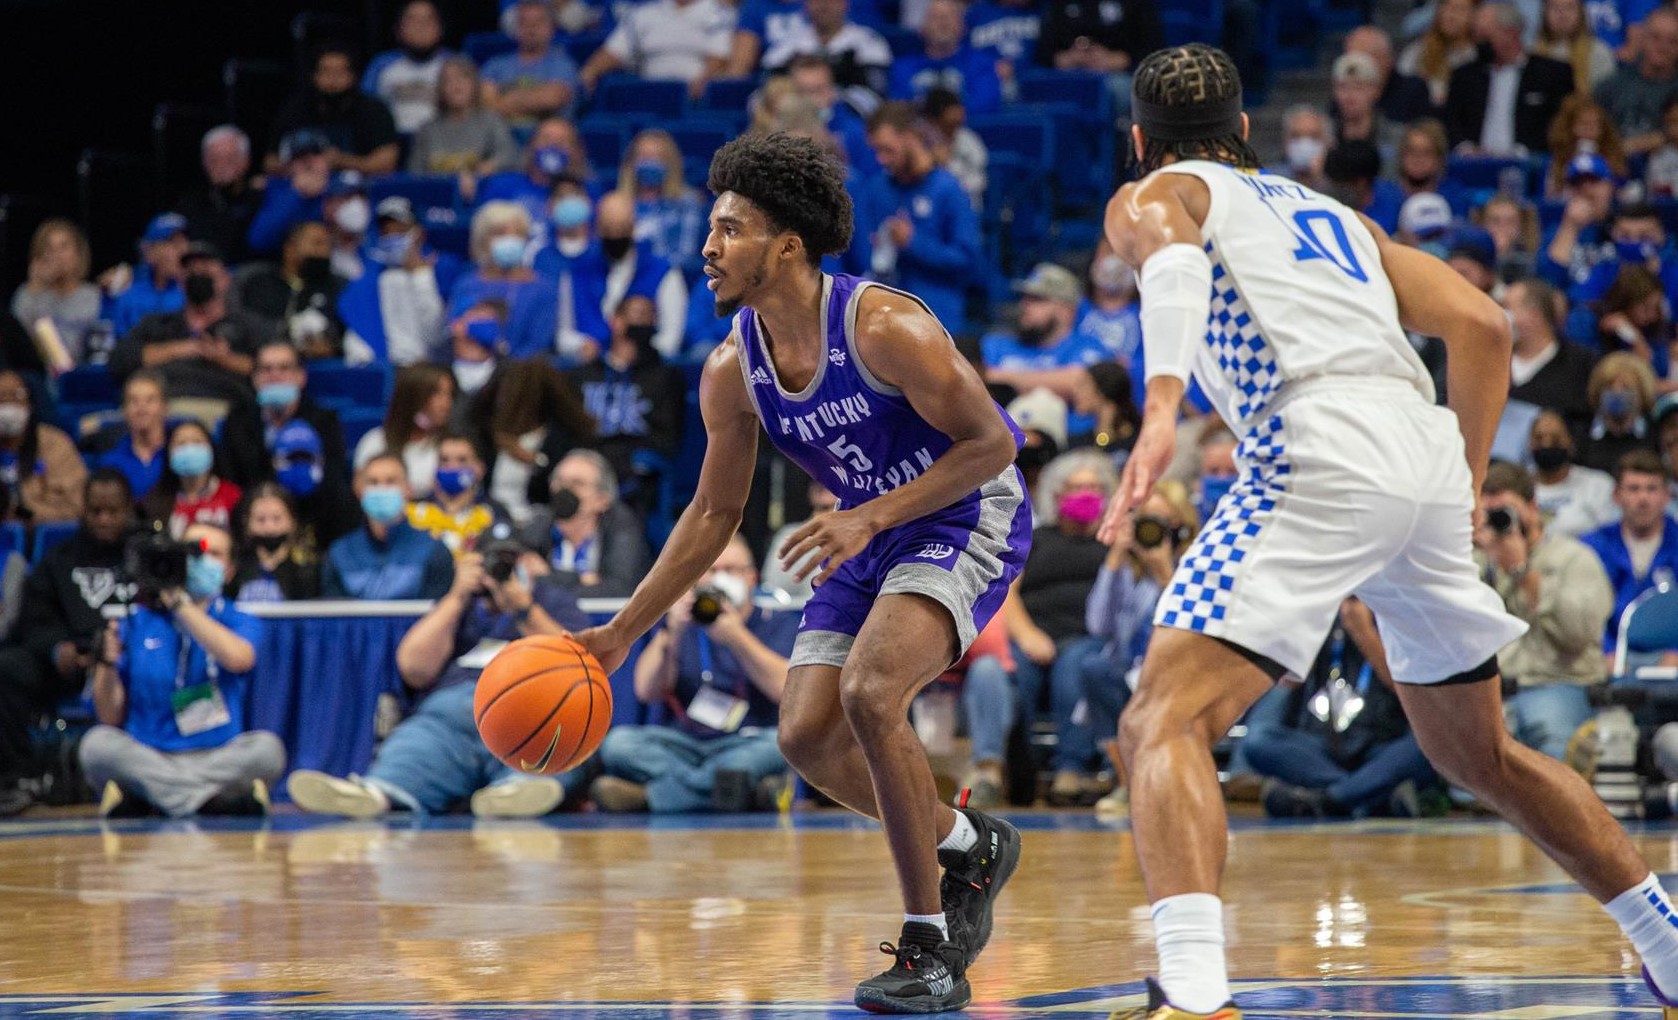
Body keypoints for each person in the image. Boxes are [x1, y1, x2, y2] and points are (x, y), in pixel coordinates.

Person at [1099, 42, 1678, 1019]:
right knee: (1478, 757)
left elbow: (1172, 266)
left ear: (1139, 139)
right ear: (1246, 130)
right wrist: (1461, 480)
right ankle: (1669, 946)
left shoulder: (1158, 193)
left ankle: (1192, 998)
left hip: (1314, 439)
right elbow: (1485, 327)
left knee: (1161, 719)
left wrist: (1159, 410)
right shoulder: (1336, 216)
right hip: (1418, 447)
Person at [577, 132, 1030, 1014]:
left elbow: (992, 444)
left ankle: (929, 945)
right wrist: (622, 631)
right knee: (804, 736)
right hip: (865, 531)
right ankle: (969, 844)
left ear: (787, 246)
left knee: (870, 692)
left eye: (730, 229)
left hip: (964, 510)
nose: (708, 248)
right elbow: (712, 515)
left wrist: (870, 514)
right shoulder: (731, 370)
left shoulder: (886, 328)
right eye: (711, 229)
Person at [288, 544, 590, 818]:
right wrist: (456, 596)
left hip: (530, 712)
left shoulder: (554, 601)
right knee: (414, 747)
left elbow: (579, 666)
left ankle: (515, 793)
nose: (499, 574)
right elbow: (412, 667)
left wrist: (523, 609)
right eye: (491, 564)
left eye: (510, 563)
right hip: (452, 713)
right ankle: (374, 793)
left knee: (556, 746)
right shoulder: (461, 605)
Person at [80, 522, 280, 818]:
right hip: (149, 754)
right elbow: (110, 716)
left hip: (217, 755)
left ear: (229, 570)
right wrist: (106, 665)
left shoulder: (239, 620)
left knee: (267, 750)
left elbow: (239, 659)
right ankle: (207, 800)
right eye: (194, 552)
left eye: (214, 554)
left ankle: (158, 798)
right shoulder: (134, 622)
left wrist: (181, 605)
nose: (202, 561)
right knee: (96, 746)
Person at [592, 536, 800, 813]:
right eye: (712, 570)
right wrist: (673, 633)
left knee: (780, 745)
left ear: (751, 578)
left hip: (747, 740)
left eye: (731, 570)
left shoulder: (776, 622)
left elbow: (787, 691)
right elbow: (646, 690)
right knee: (619, 744)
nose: (720, 578)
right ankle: (741, 793)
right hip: (682, 744)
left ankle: (650, 797)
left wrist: (737, 637)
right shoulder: (683, 623)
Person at [0, 471, 139, 816]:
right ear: (83, 510)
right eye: (95, 511)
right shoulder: (59, 559)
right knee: (7, 667)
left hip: (139, 661)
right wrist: (57, 649)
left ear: (129, 509)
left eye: (112, 511)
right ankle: (19, 779)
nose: (103, 519)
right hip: (75, 662)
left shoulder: (149, 556)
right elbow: (34, 622)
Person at [1245, 599, 1440, 819]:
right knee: (1259, 741)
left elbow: (1412, 692)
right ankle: (1366, 794)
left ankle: (1329, 799)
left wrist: (1364, 634)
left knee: (1427, 746)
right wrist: (1305, 638)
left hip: (1380, 742)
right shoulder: (1324, 616)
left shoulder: (1397, 617)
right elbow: (1288, 681)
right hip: (1323, 744)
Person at [1476, 461, 1614, 761]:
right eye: (1490, 515)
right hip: (1494, 686)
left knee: (1546, 731)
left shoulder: (1574, 558)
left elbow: (1577, 635)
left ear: (1532, 507)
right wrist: (1483, 564)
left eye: (1506, 512)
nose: (1500, 523)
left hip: (1559, 681)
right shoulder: (1479, 561)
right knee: (1450, 741)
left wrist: (1521, 571)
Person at [1002, 449, 1114, 805]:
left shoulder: (1114, 543)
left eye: (1094, 488)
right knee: (1013, 672)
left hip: (1090, 637)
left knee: (1074, 666)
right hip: (1035, 636)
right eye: (1076, 488)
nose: (1086, 495)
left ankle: (1071, 768)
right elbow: (1007, 592)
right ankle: (1017, 773)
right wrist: (1026, 635)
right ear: (1057, 494)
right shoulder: (1035, 539)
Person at [1082, 480, 1198, 816]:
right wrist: (1115, 557)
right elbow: (1097, 625)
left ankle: (1158, 783)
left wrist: (1165, 575)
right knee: (1093, 667)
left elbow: (1191, 629)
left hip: (1176, 671)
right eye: (1145, 519)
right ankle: (1128, 781)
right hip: (1127, 670)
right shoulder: (1127, 571)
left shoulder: (1194, 567)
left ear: (1180, 527)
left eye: (1161, 520)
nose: (1151, 529)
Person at [859, 101, 983, 333]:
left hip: (936, 316)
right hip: (885, 316)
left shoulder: (948, 189)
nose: (881, 159)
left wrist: (914, 242)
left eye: (888, 150)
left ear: (909, 137)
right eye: (877, 151)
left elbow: (967, 260)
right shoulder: (876, 189)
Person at [112, 241, 262, 407]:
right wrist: (180, 349)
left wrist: (225, 359)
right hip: (162, 405)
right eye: (190, 270)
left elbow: (268, 369)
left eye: (205, 269)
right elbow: (120, 361)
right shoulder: (158, 323)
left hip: (225, 404)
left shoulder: (247, 326)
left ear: (225, 279)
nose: (197, 274)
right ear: (181, 282)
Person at [565, 294, 685, 487]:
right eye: (638, 315)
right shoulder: (584, 374)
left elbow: (666, 438)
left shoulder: (665, 377)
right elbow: (567, 431)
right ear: (616, 321)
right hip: (586, 462)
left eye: (650, 317)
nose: (644, 323)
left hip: (636, 471)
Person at [980, 264, 1111, 437]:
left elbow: (1078, 382)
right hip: (1003, 440)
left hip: (1069, 442)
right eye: (1025, 298)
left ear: (1067, 310)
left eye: (1037, 299)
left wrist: (1001, 378)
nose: (1025, 305)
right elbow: (976, 381)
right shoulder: (998, 344)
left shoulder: (1088, 346)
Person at [470, 358, 597, 524]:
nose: (506, 400)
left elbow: (557, 487)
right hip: (488, 518)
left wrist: (532, 459)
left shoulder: (560, 439)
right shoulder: (490, 435)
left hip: (536, 521)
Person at [1444, 2, 1573, 156]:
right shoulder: (1464, 76)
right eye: (1476, 37)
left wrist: (1521, 151)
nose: (1479, 44)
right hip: (1474, 163)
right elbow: (1451, 121)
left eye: (1486, 37)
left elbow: (1562, 123)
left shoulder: (1552, 74)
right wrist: (1465, 148)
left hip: (1531, 162)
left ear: (1512, 33)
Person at [217, 340, 348, 491]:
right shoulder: (237, 421)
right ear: (254, 378)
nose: (275, 375)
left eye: (284, 368)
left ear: (301, 376)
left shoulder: (324, 422)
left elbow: (334, 480)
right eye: (266, 369)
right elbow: (232, 480)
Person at [338, 198, 455, 366]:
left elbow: (437, 337)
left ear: (419, 233)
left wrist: (421, 276)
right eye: (386, 232)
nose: (392, 237)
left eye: (400, 230)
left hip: (428, 368)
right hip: (383, 367)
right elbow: (358, 333)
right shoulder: (367, 281)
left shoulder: (442, 268)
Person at [1581, 449, 1678, 652]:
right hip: (1609, 657)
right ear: (1617, 495)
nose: (1643, 498)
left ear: (1666, 496)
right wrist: (1605, 653)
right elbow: (1582, 614)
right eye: (1634, 489)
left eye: (1652, 489)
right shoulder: (1592, 548)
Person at [322, 453, 455, 600]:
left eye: (391, 481)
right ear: (359, 491)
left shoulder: (433, 550)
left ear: (408, 489)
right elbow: (334, 610)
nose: (381, 489)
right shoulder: (340, 553)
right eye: (373, 482)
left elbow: (440, 609)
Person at [518, 449, 650, 596]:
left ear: (602, 499)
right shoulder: (538, 525)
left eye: (577, 484)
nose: (564, 491)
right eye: (559, 481)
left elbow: (619, 588)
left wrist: (549, 576)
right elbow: (522, 584)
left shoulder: (622, 527)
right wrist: (584, 580)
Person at [268, 46, 400, 176]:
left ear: (353, 76)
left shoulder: (373, 111)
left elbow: (387, 162)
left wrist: (342, 161)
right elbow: (270, 161)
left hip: (359, 184)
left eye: (339, 72)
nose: (333, 79)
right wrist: (300, 165)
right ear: (314, 76)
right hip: (301, 182)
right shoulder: (296, 110)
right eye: (326, 71)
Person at [579, 0, 735, 98]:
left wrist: (701, 85)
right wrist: (590, 71)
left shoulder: (719, 13)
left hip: (694, 97)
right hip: (648, 94)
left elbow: (719, 59)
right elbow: (613, 51)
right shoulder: (644, 12)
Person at [239, 221, 347, 360]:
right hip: (266, 362)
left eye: (329, 245)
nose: (324, 252)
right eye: (317, 243)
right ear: (290, 249)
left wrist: (332, 346)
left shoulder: (339, 287)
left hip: (325, 365)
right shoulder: (259, 282)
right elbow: (249, 327)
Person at [1035, 0, 1161, 116]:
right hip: (1069, 73)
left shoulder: (1135, 4)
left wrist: (1118, 60)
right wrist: (1067, 58)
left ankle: (1121, 130)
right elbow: (1043, 53)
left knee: (1120, 89)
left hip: (1117, 73)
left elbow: (1153, 51)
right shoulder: (1058, 4)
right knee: (1043, 89)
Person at [1502, 278, 1597, 430]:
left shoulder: (1581, 364)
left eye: (1506, 307)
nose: (1500, 315)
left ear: (1535, 316)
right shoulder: (1490, 361)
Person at [353, 362, 457, 498]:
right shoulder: (375, 441)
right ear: (413, 396)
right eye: (437, 394)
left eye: (449, 394)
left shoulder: (452, 447)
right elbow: (360, 490)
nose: (446, 403)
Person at [617, 129, 708, 279]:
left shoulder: (687, 202)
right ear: (632, 163)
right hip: (624, 277)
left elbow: (685, 254)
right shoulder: (618, 204)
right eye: (644, 157)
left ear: (670, 163)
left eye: (657, 157)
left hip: (671, 277)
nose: (650, 163)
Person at [408, 57, 519, 178]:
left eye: (463, 77)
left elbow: (510, 156)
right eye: (448, 80)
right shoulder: (428, 129)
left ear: (474, 84)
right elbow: (415, 173)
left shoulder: (491, 121)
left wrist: (487, 168)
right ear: (441, 89)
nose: (456, 84)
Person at [0, 369, 85, 524]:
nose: (8, 405)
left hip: (40, 531)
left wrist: (24, 514)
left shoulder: (55, 444)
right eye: (1, 398)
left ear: (30, 403)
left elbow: (76, 505)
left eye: (16, 396)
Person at [889, 0, 1002, 115]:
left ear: (962, 27)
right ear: (921, 29)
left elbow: (985, 105)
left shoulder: (982, 64)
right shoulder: (902, 68)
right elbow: (899, 108)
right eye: (935, 17)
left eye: (950, 17)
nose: (943, 22)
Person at [11, 219, 101, 364]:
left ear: (78, 254)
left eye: (63, 247)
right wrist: (36, 289)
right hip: (38, 371)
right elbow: (17, 343)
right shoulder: (28, 294)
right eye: (49, 248)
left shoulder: (93, 296)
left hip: (81, 371)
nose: (56, 255)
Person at [482, 0, 581, 128]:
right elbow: (485, 105)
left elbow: (553, 98)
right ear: (516, 28)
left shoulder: (564, 65)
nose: (531, 28)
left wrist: (508, 100)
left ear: (551, 28)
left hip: (546, 134)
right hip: (500, 134)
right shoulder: (495, 65)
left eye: (538, 22)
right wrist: (532, 100)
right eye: (524, 23)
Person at [1593, 7, 1678, 156]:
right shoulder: (1612, 86)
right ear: (1643, 37)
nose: (1662, 47)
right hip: (1611, 161)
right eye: (1655, 37)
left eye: (1672, 41)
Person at [408, 431, 508, 555]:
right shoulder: (413, 509)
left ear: (480, 468)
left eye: (462, 460)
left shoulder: (494, 512)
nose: (452, 467)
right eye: (444, 460)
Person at [362, 0, 452, 136]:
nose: (420, 27)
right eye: (412, 20)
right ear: (398, 30)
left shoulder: (455, 64)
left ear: (440, 29)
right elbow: (365, 108)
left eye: (428, 20)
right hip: (392, 140)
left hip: (445, 140)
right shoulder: (381, 65)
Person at [176, 126, 261, 266]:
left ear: (246, 161)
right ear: (204, 163)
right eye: (214, 159)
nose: (221, 165)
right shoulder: (190, 206)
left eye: (230, 158)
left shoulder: (262, 200)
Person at [1530, 408, 1619, 537]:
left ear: (1570, 442)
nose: (1546, 444)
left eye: (1555, 439)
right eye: (1539, 438)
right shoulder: (1518, 486)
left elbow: (1611, 536)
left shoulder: (1599, 484)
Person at [228, 482, 321, 601]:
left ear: (292, 521)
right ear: (247, 523)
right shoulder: (235, 567)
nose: (269, 528)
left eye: (277, 519)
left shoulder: (308, 570)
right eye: (260, 519)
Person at [149, 419, 241, 537]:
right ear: (169, 452)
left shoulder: (233, 496)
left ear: (211, 448)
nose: (190, 449)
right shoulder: (155, 502)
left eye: (197, 442)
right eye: (181, 443)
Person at [93, 370, 170, 502]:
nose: (141, 408)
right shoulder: (110, 462)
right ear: (124, 409)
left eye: (150, 400)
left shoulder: (178, 455)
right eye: (134, 401)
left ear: (165, 407)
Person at [107, 214, 188, 338]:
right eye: (172, 243)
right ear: (150, 251)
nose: (182, 250)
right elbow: (117, 342)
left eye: (184, 241)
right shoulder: (128, 295)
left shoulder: (196, 292)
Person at [1577, 352, 1658, 474]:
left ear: (1641, 393)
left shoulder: (1656, 432)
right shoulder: (1580, 435)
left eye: (1626, 387)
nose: (1617, 393)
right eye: (1609, 387)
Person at [1398, 0, 1479, 107]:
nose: (1451, 14)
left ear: (1474, 15)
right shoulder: (1417, 50)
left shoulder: (1476, 57)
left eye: (1460, 9)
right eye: (1447, 6)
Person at [1544, 96, 1629, 198]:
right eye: (1584, 124)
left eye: (1595, 124)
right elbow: (1551, 194)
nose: (1590, 129)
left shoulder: (1612, 156)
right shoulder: (1559, 159)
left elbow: (1622, 188)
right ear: (1569, 127)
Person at [1535, 0, 1616, 92]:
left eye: (1569, 8)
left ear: (1581, 13)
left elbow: (1606, 95)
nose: (1562, 15)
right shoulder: (1533, 51)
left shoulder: (1599, 53)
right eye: (1555, 8)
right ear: (1544, 12)